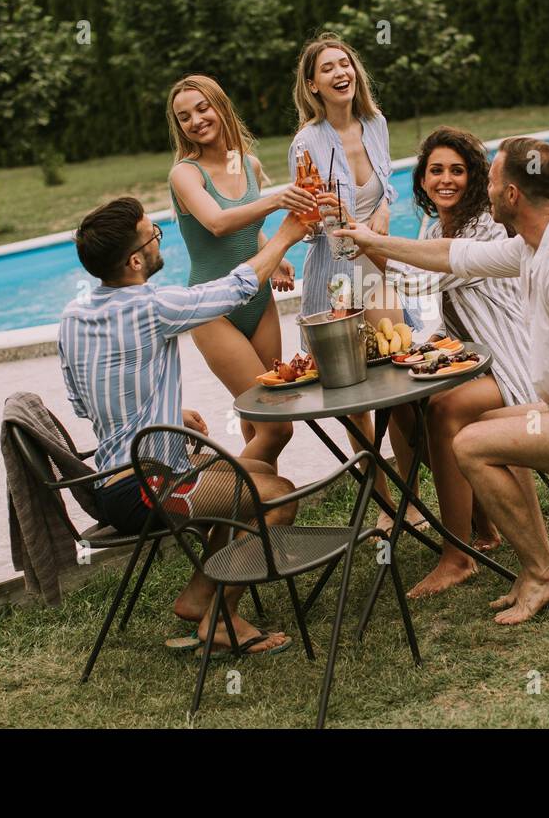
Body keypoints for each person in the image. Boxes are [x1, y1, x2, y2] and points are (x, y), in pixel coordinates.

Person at [332, 136, 549, 625]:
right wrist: (369, 239)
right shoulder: (538, 243)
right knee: (485, 426)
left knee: (474, 443)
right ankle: (537, 563)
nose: (485, 189)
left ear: (512, 195)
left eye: (492, 180)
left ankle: (541, 569)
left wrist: (532, 413)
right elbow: (455, 256)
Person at [59, 195, 312, 654]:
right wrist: (286, 235)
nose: (159, 243)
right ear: (136, 260)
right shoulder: (151, 306)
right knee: (278, 497)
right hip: (146, 485)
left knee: (262, 477)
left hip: (113, 480)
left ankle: (199, 594)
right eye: (152, 237)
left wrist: (163, 415)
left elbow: (83, 402)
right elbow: (235, 289)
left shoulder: (72, 317)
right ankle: (218, 619)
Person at [360, 126, 537, 598]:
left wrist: (369, 243)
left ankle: (457, 556)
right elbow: (417, 273)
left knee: (443, 409)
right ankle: (484, 528)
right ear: (422, 180)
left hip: (512, 362)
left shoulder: (487, 227)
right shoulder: (433, 229)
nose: (445, 179)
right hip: (469, 359)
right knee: (400, 398)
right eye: (436, 170)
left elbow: (426, 277)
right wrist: (369, 245)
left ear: (474, 178)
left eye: (457, 170)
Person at [289, 33, 425, 532]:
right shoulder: (307, 141)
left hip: (376, 260)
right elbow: (308, 217)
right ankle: (386, 503)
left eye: (345, 63)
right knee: (353, 395)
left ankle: (412, 497)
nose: (340, 72)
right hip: (335, 272)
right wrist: (340, 221)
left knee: (399, 376)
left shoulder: (376, 123)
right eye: (327, 68)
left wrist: (384, 208)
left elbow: (386, 182)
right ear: (313, 84)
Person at [167, 74, 319, 472]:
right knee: (277, 425)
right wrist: (275, 202)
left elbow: (244, 224)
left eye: (203, 108)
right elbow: (217, 223)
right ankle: (221, 505)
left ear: (221, 106)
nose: (196, 121)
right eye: (184, 117)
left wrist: (271, 251)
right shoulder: (186, 174)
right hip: (212, 309)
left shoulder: (243, 162)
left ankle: (258, 519)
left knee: (258, 421)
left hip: (257, 299)